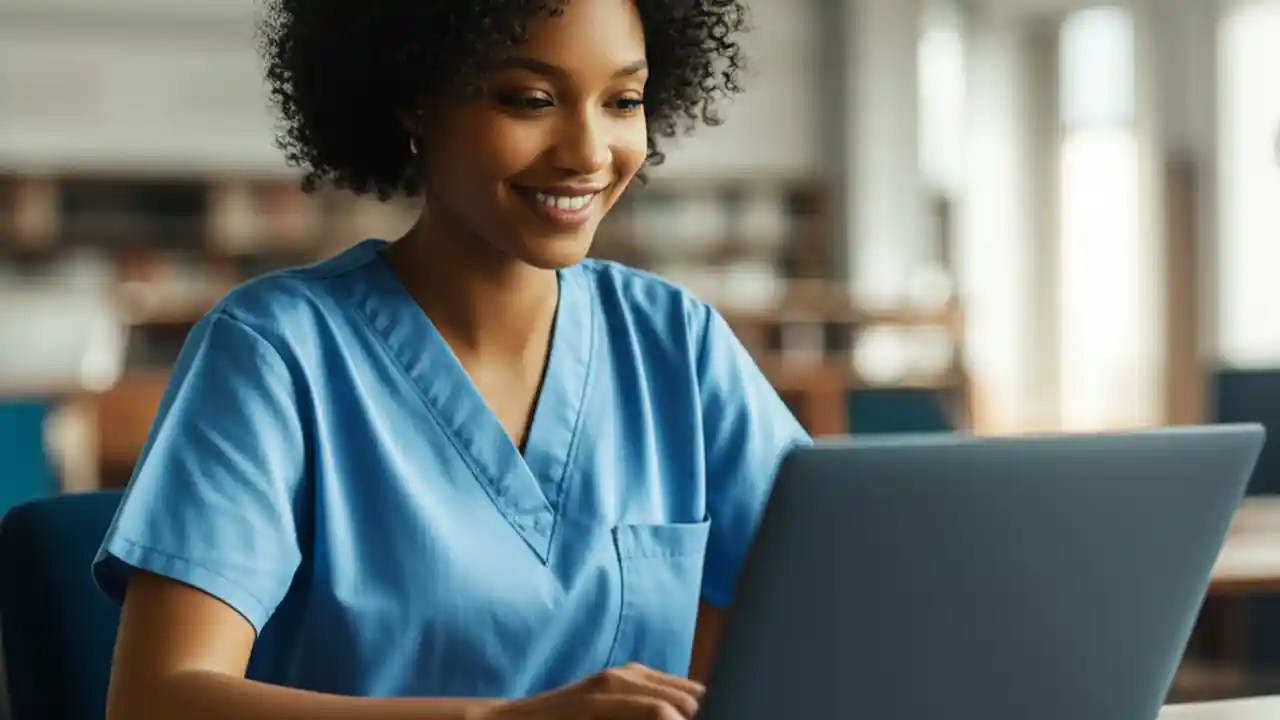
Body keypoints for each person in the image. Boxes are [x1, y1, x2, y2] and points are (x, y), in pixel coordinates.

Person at [93, 0, 810, 718]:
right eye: (530, 100)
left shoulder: (677, 344)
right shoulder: (274, 352)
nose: (590, 151)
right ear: (417, 103)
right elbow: (156, 701)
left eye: (623, 101)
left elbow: (840, 597)